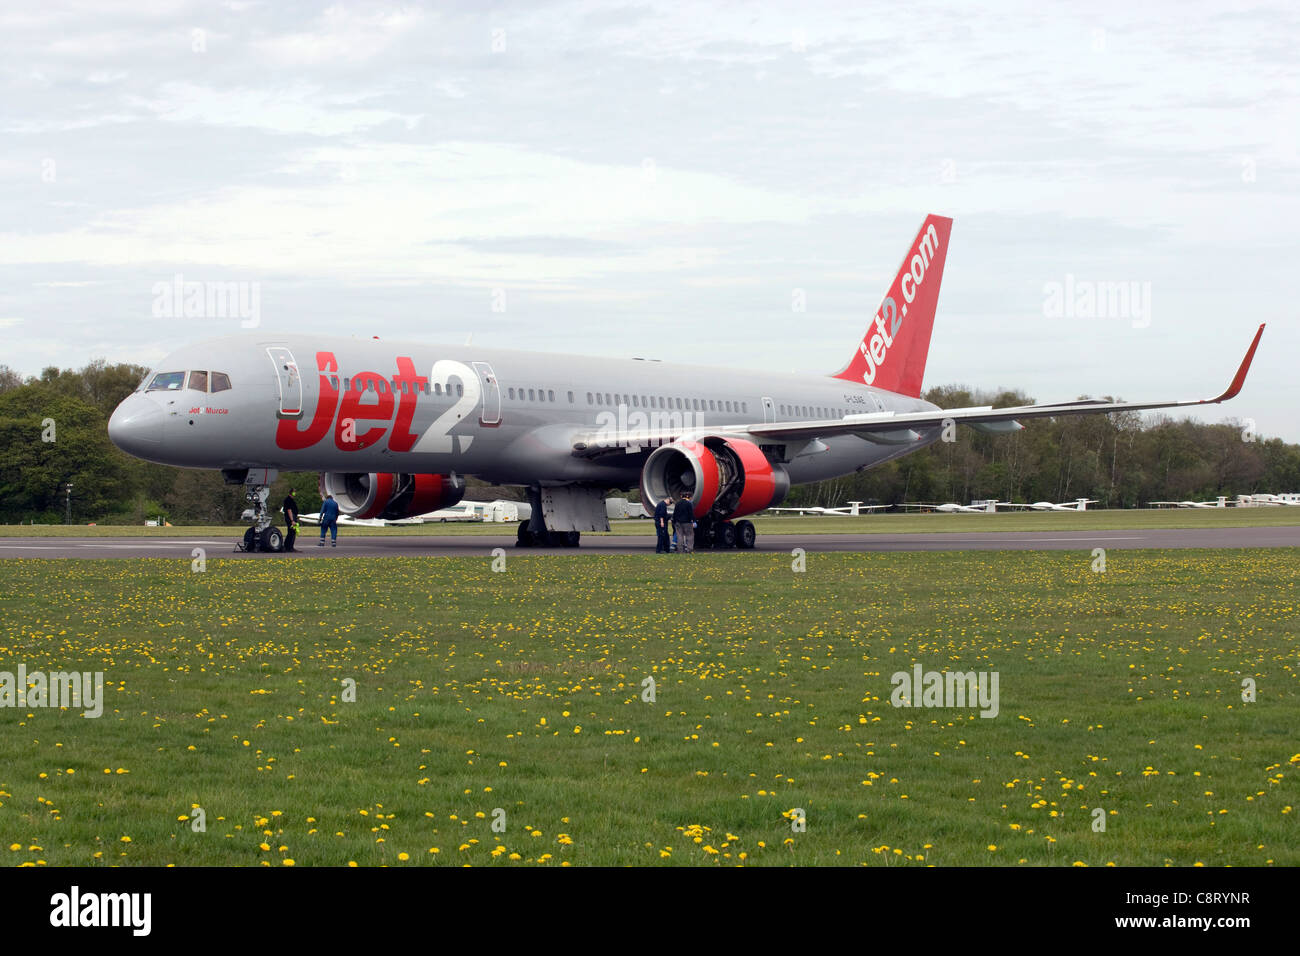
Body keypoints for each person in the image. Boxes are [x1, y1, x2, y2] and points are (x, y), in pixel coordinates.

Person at [282, 488, 299, 552]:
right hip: (290, 517)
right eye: (294, 492)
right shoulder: (288, 500)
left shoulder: (291, 500)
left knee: (291, 532)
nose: (295, 493)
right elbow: (289, 510)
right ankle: (289, 547)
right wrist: (292, 520)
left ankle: (288, 546)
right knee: (291, 532)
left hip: (292, 516)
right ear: (292, 493)